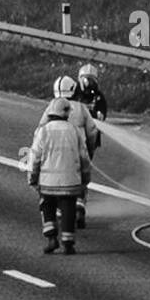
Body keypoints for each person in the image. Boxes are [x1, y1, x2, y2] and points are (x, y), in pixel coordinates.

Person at [28, 98, 92, 255]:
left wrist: (32, 177)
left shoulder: (44, 131)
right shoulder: (75, 131)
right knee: (68, 210)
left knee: (47, 207)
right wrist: (85, 178)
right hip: (71, 183)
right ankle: (68, 244)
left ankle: (51, 239)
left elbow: (34, 157)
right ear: (66, 114)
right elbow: (85, 157)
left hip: (48, 183)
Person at [39, 76, 99, 228]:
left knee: (59, 182)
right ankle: (79, 206)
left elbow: (40, 130)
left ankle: (60, 214)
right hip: (77, 151)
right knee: (79, 181)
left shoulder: (51, 108)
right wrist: (90, 151)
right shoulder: (80, 108)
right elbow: (92, 131)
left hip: (56, 155)